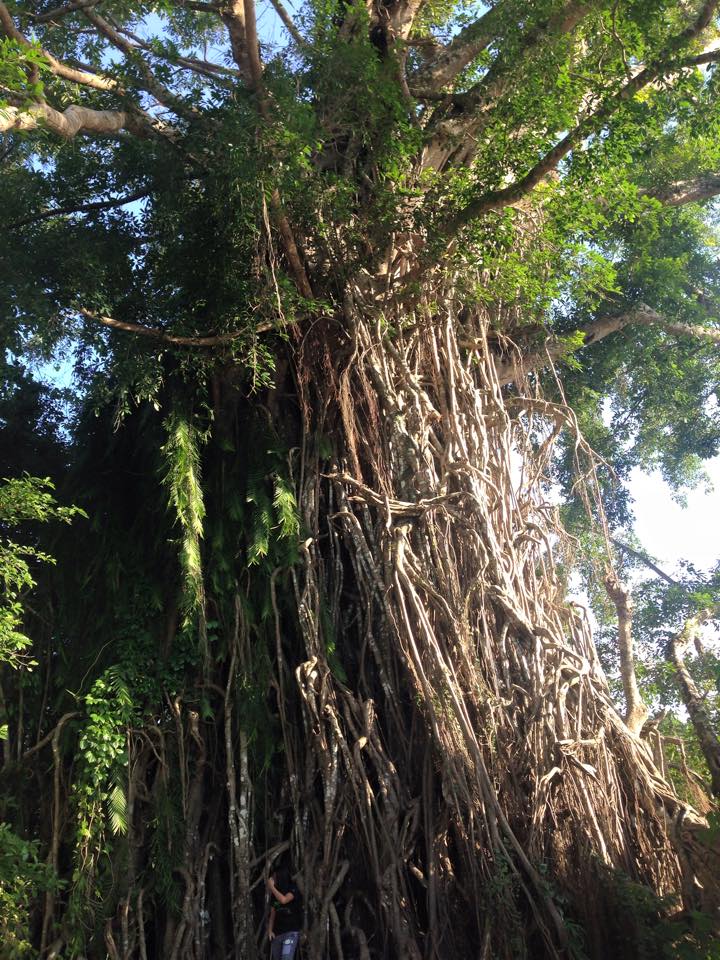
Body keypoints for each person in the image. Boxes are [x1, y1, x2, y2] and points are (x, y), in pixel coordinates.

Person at [267, 862, 303, 960]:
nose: (273, 879)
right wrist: (270, 931)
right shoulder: (275, 897)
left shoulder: (292, 889)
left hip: (290, 933)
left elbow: (284, 900)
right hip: (278, 934)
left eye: (274, 876)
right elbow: (273, 914)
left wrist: (272, 888)